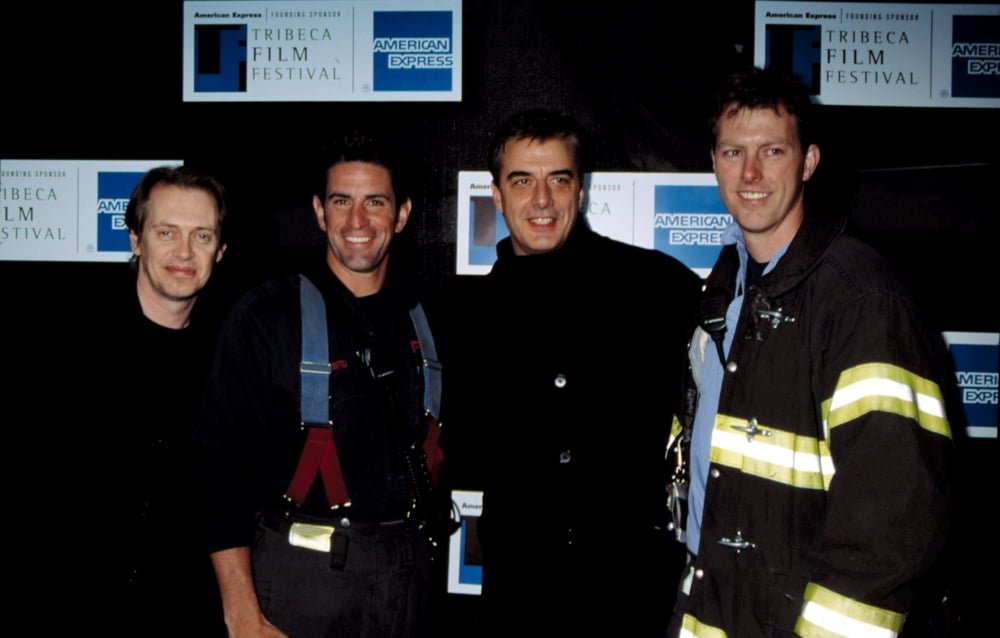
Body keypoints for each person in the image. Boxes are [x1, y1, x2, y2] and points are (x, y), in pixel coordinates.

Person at [666, 66, 953, 638]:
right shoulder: (724, 289)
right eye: (733, 152)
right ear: (715, 162)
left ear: (809, 162)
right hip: (716, 609)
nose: (750, 173)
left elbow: (891, 525)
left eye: (772, 151)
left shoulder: (863, 301)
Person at [443, 109, 702, 636]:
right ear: (496, 195)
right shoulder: (465, 316)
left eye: (558, 180)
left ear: (580, 191)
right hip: (517, 598)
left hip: (632, 597)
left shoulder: (657, 288)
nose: (541, 200)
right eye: (522, 181)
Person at [194, 134, 446, 638]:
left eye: (375, 202)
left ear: (401, 215)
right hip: (299, 585)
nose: (357, 221)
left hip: (408, 580)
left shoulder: (428, 317)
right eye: (341, 202)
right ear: (319, 212)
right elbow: (216, 471)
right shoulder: (267, 318)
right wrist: (241, 613)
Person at [57, 165, 229, 636]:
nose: (184, 252)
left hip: (182, 609)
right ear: (136, 240)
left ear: (220, 250)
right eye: (166, 232)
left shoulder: (232, 357)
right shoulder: (72, 342)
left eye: (201, 236)